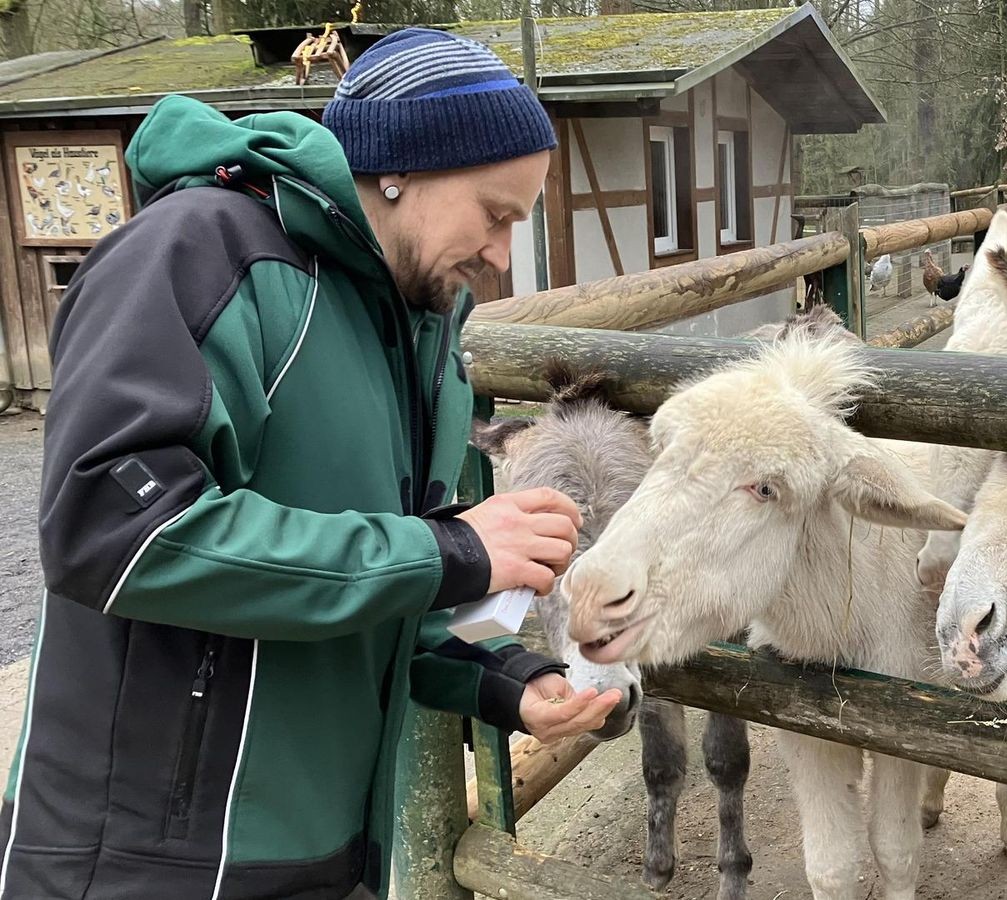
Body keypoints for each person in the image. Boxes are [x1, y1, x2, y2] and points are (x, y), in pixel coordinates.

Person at [3, 27, 620, 900]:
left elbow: (384, 576)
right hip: (145, 860)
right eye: (496, 213)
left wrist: (506, 681)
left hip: (328, 851)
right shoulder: (197, 256)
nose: (500, 256)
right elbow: (112, 530)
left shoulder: (425, 330)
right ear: (402, 169)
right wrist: (448, 551)